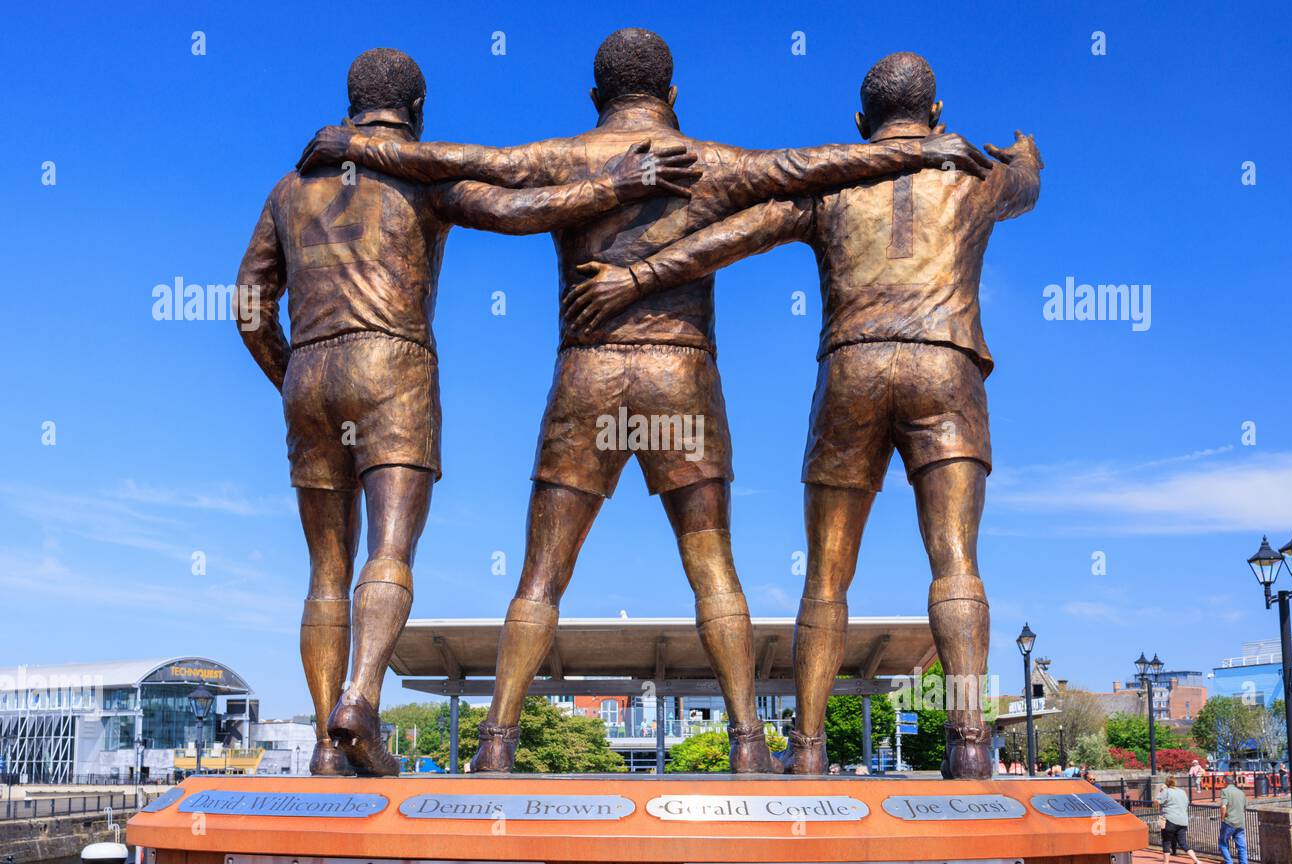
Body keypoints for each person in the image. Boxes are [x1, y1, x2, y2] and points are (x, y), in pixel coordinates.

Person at [297, 29, 992, 774]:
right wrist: (919, 150)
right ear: (674, 95)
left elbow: (467, 163)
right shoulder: (714, 164)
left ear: (595, 97)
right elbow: (813, 167)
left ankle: (495, 746)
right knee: (713, 566)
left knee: (540, 577)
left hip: (587, 379)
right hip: (681, 375)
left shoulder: (564, 157)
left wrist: (356, 146)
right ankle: (750, 746)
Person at [562, 51, 1038, 777]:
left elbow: (733, 237)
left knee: (825, 576)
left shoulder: (834, 184)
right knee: (956, 561)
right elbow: (1028, 184)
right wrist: (1026, 156)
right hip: (948, 366)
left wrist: (636, 276)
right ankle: (970, 740)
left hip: (851, 370)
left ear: (858, 122)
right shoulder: (976, 174)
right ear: (935, 115)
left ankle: (807, 748)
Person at [235, 47, 696, 776]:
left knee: (325, 570)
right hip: (393, 366)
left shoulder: (289, 189)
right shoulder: (422, 179)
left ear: (353, 103)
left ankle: (326, 748)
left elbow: (249, 302)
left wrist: (290, 372)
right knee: (388, 549)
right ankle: (359, 695)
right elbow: (520, 210)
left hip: (312, 367)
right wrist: (609, 183)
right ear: (417, 112)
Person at [1156, 775, 1202, 864]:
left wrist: (1161, 791)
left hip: (1170, 819)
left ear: (1166, 783)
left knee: (1166, 841)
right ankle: (1196, 861)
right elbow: (1186, 803)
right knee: (1183, 843)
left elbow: (1156, 802)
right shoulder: (1182, 792)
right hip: (1182, 820)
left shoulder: (1166, 791)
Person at [1218, 773, 1248, 864]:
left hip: (1229, 821)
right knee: (1241, 847)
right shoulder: (1241, 792)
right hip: (1240, 823)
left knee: (1222, 843)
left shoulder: (1225, 791)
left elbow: (1223, 806)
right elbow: (1245, 807)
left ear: (1225, 782)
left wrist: (1222, 818)